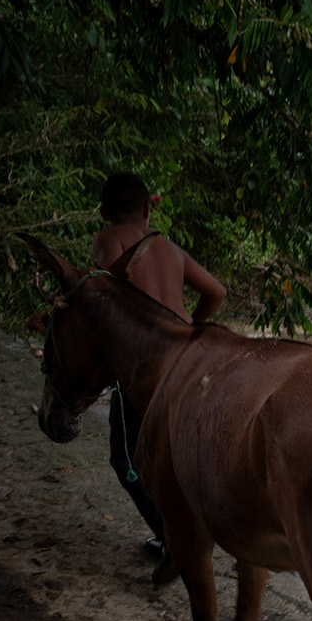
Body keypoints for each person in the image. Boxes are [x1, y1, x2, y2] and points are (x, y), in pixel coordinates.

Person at [92, 172, 227, 586]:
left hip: (145, 365)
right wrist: (190, 327)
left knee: (128, 458)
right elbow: (217, 293)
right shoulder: (168, 247)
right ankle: (181, 534)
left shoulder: (108, 239)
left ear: (104, 212)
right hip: (187, 360)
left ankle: (175, 541)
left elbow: (109, 298)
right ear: (149, 208)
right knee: (175, 453)